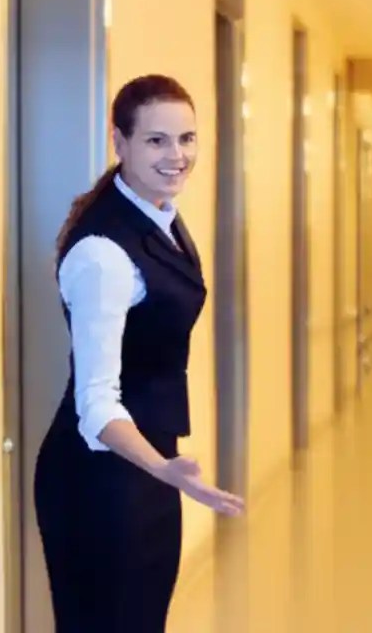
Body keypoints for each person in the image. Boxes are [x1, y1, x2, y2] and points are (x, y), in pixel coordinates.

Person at [34, 74, 245, 632]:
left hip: (148, 468)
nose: (177, 156)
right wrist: (166, 470)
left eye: (187, 138)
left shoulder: (160, 216)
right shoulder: (103, 253)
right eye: (156, 140)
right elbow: (96, 404)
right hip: (101, 479)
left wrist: (163, 471)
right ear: (120, 142)